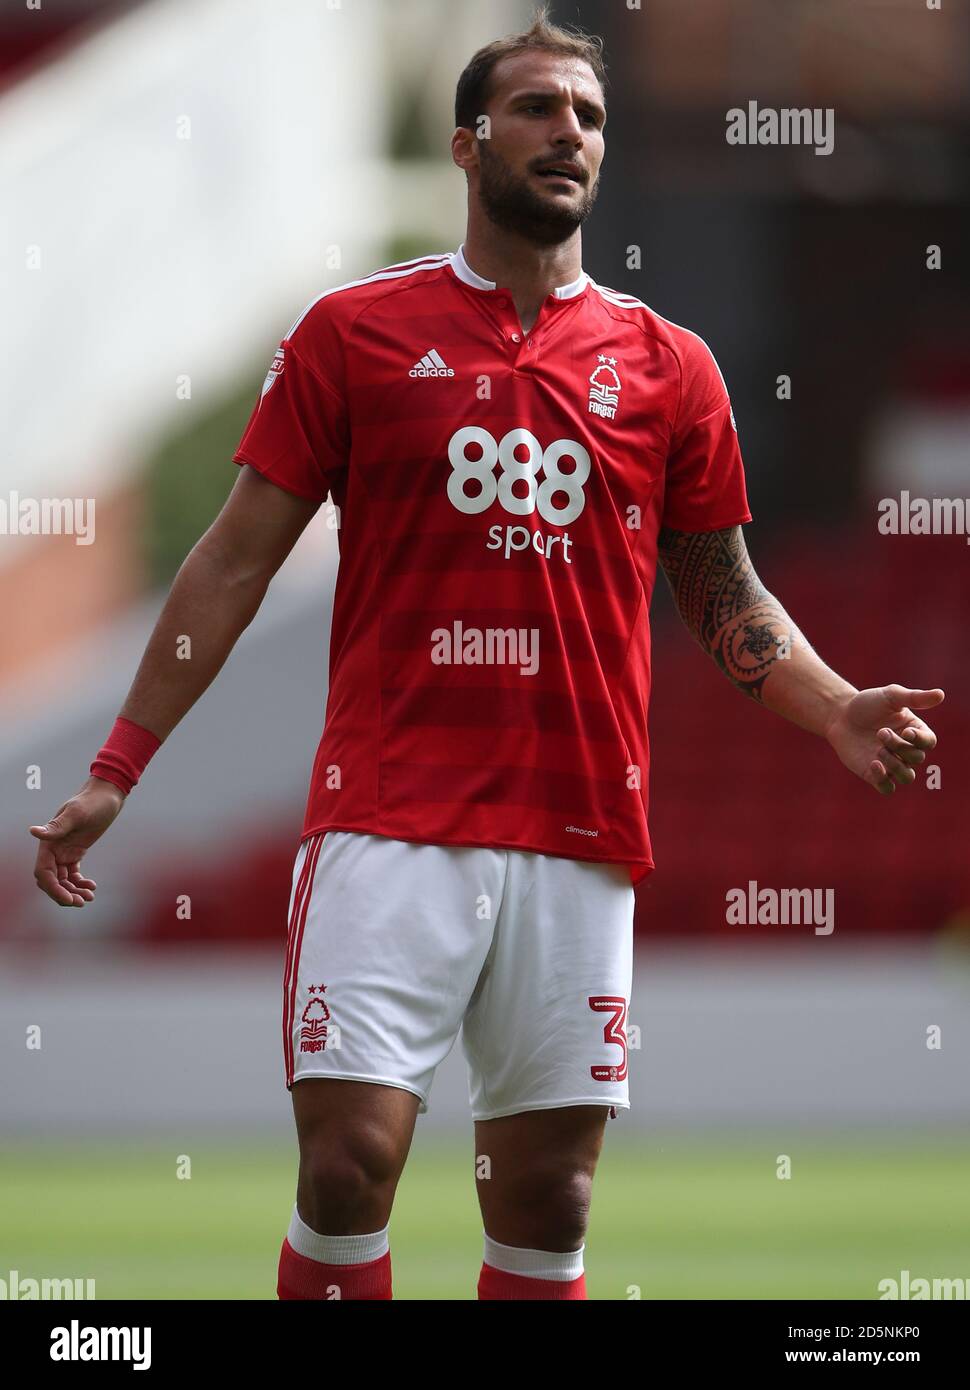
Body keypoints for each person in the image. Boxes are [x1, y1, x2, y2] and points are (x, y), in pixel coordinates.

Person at [30, 7, 943, 1301]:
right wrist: (122, 758)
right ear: (466, 146)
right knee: (348, 1164)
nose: (567, 132)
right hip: (386, 821)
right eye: (535, 108)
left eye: (587, 115)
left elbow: (721, 590)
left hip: (576, 831)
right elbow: (231, 560)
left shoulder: (668, 367)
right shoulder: (350, 335)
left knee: (548, 1197)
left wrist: (835, 705)